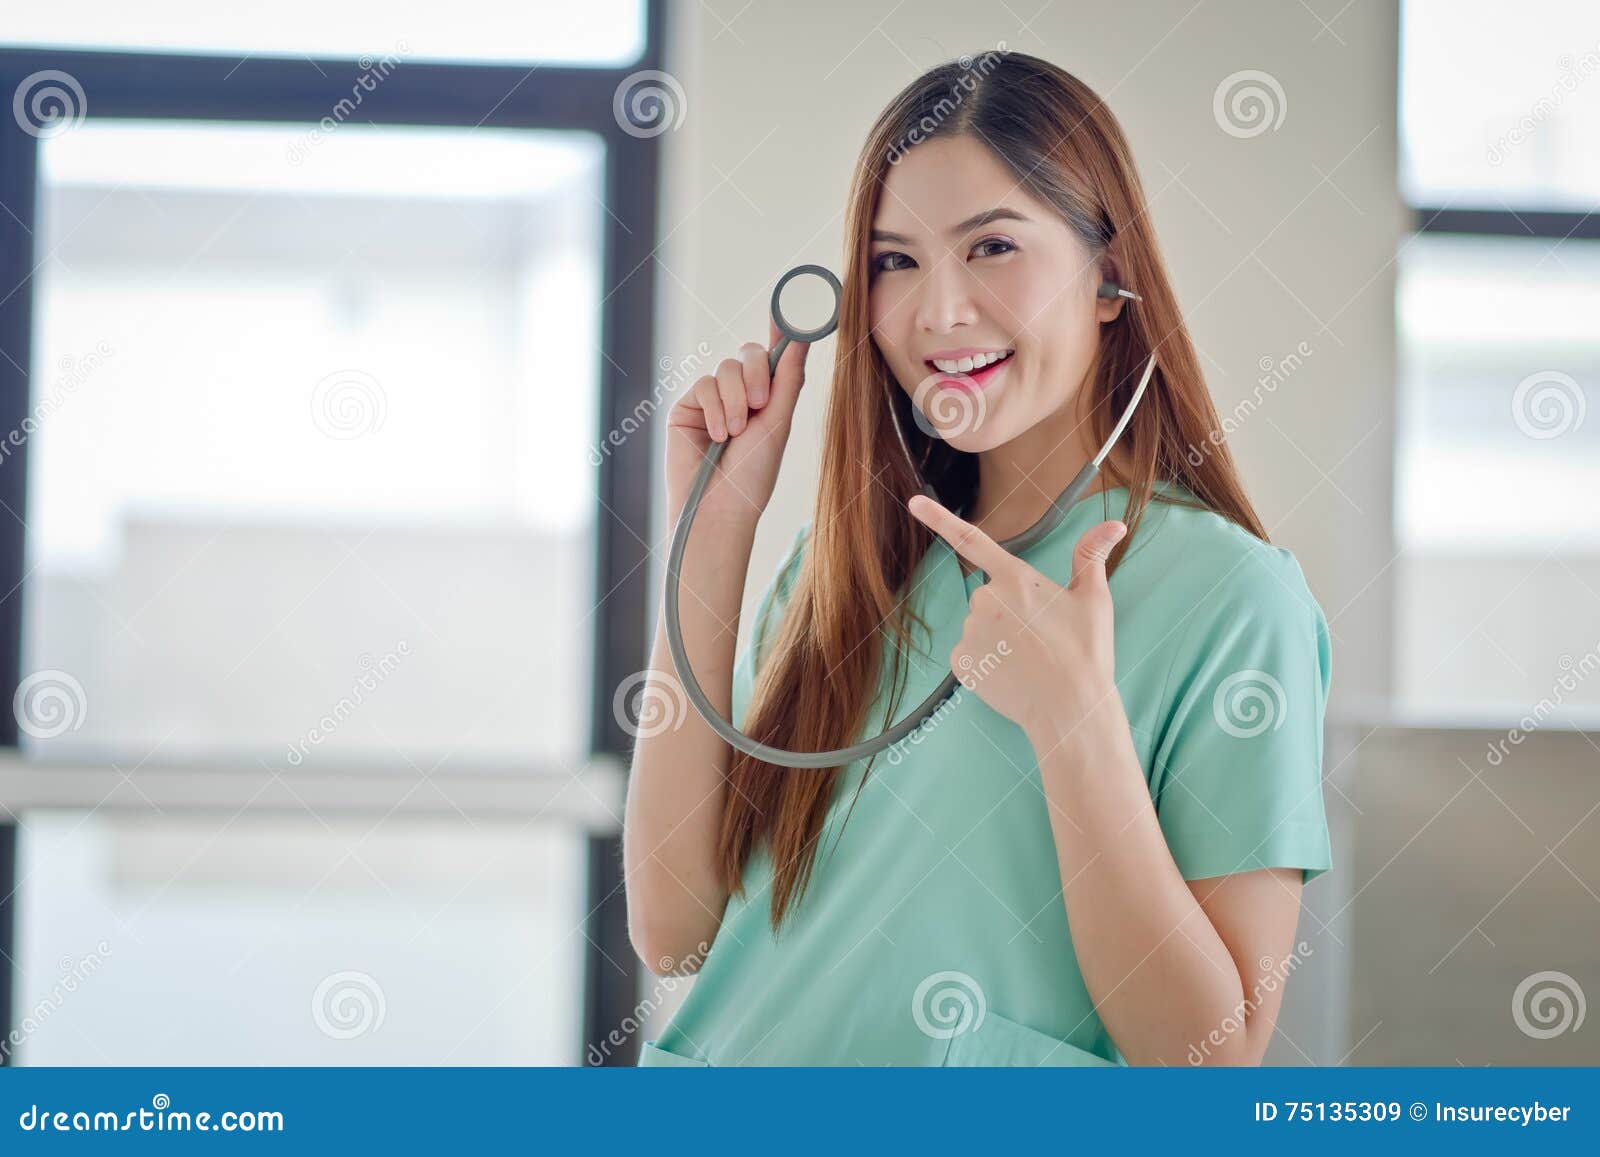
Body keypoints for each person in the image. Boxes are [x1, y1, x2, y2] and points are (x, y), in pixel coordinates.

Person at [623, 50, 1332, 1067]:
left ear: (1109, 274)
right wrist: (717, 526)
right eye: (893, 260)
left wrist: (1074, 719)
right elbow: (673, 926)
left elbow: (1209, 1061)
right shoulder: (850, 567)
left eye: (991, 246)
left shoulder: (1232, 598)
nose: (937, 311)